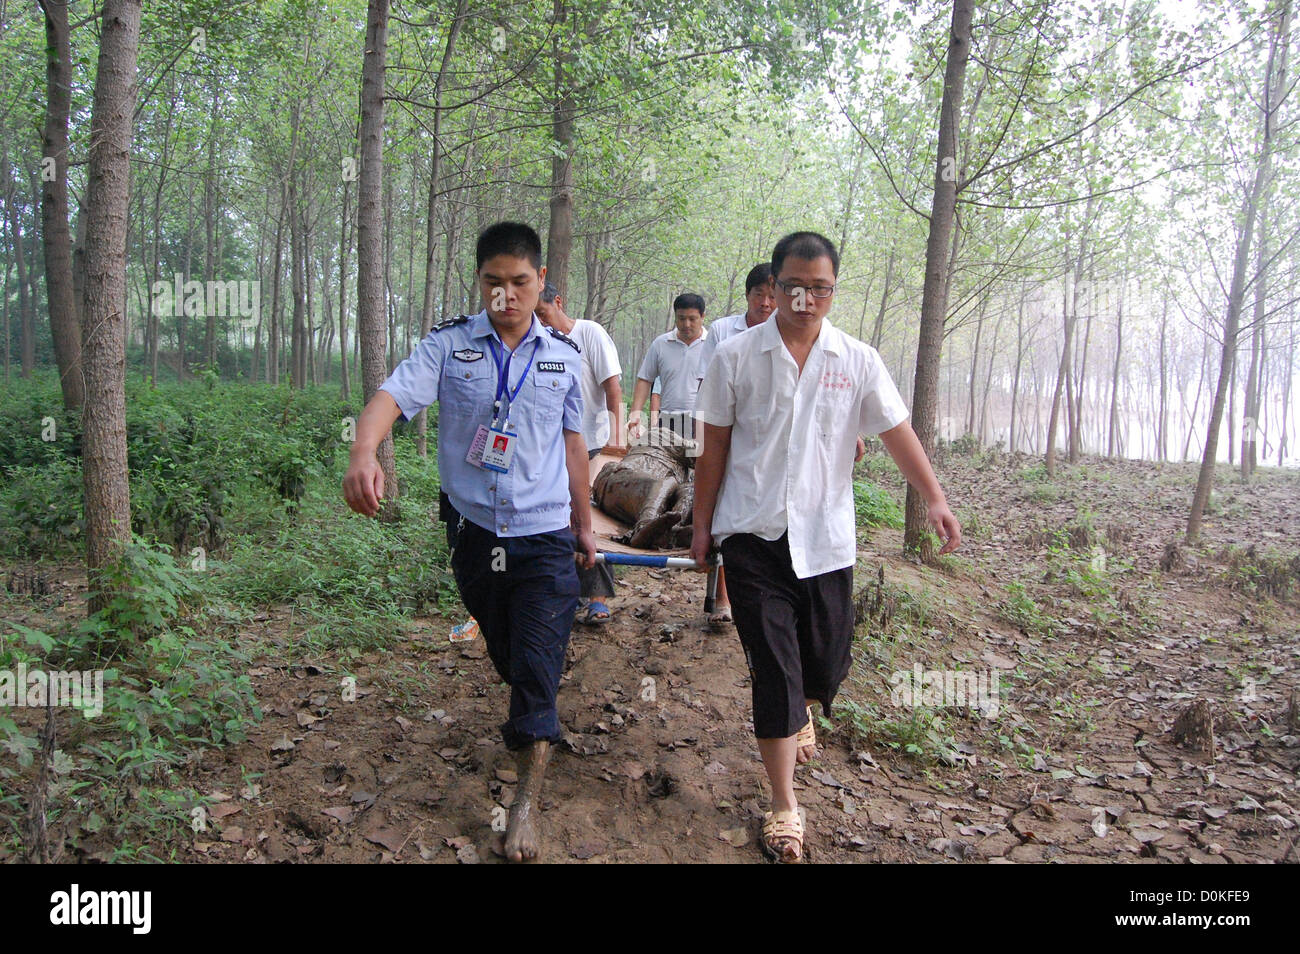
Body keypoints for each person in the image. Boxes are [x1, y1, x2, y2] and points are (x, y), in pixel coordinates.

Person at [692, 231, 962, 863]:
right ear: (773, 287)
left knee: (824, 662)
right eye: (793, 286)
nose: (805, 299)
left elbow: (896, 431)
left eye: (820, 288)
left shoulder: (857, 360)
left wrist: (933, 497)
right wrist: (704, 525)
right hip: (753, 534)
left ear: (833, 290)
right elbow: (715, 449)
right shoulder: (735, 357)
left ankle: (803, 707)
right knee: (776, 670)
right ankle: (785, 804)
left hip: (826, 538)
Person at [342, 221, 597, 863]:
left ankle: (526, 804)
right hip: (474, 534)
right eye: (493, 282)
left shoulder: (566, 357)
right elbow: (391, 397)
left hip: (543, 536)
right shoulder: (449, 347)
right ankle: (530, 705)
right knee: (511, 656)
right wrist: (364, 449)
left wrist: (584, 524)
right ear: (478, 282)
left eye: (519, 282)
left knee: (536, 669)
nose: (505, 295)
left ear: (541, 283)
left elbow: (574, 444)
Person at [535, 280, 623, 625]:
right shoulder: (538, 341)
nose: (540, 322)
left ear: (558, 302)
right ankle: (563, 593)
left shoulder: (590, 334)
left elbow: (613, 388)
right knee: (559, 519)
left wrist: (617, 438)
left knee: (594, 523)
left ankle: (598, 598)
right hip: (552, 448)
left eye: (543, 313)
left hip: (593, 443)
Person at [628, 294, 707, 442]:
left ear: (702, 317)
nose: (686, 324)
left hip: (702, 420)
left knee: (698, 464)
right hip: (667, 420)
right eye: (681, 318)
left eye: (692, 319)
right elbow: (645, 379)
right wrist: (636, 413)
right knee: (661, 463)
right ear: (675, 317)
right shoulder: (661, 344)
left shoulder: (712, 344)